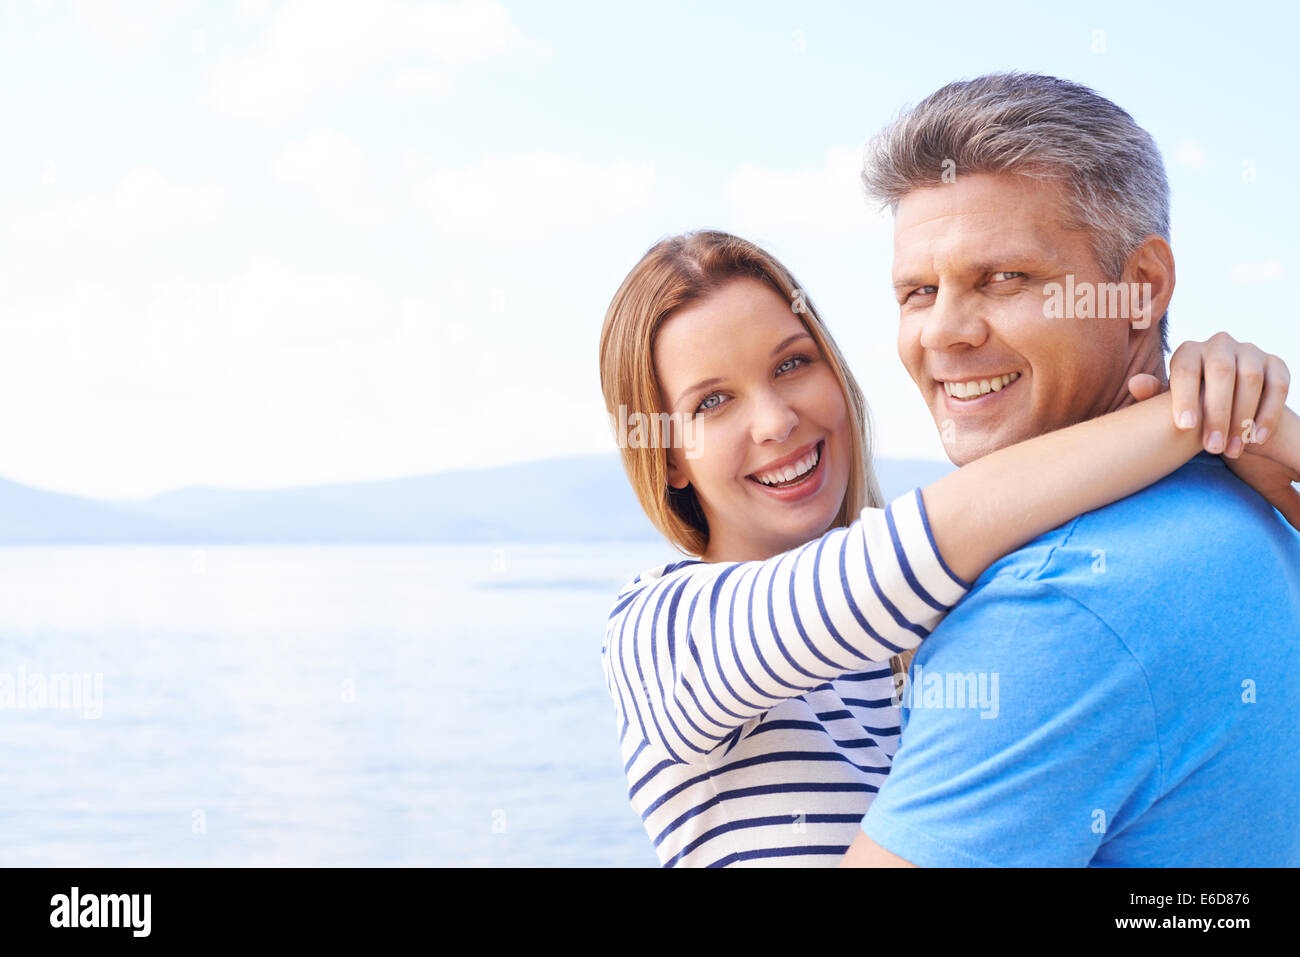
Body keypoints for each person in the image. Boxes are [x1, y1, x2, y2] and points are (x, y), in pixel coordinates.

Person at [598, 228, 1299, 867]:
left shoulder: (940, 625)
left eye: (792, 364)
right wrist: (1204, 413)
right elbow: (924, 543)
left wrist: (1235, 413)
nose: (777, 420)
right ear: (667, 458)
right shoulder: (655, 634)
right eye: (712, 403)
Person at [842, 73, 1300, 867]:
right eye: (918, 291)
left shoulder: (1064, 602)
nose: (943, 333)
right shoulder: (1245, 512)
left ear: (1142, 288)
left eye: (1005, 278)